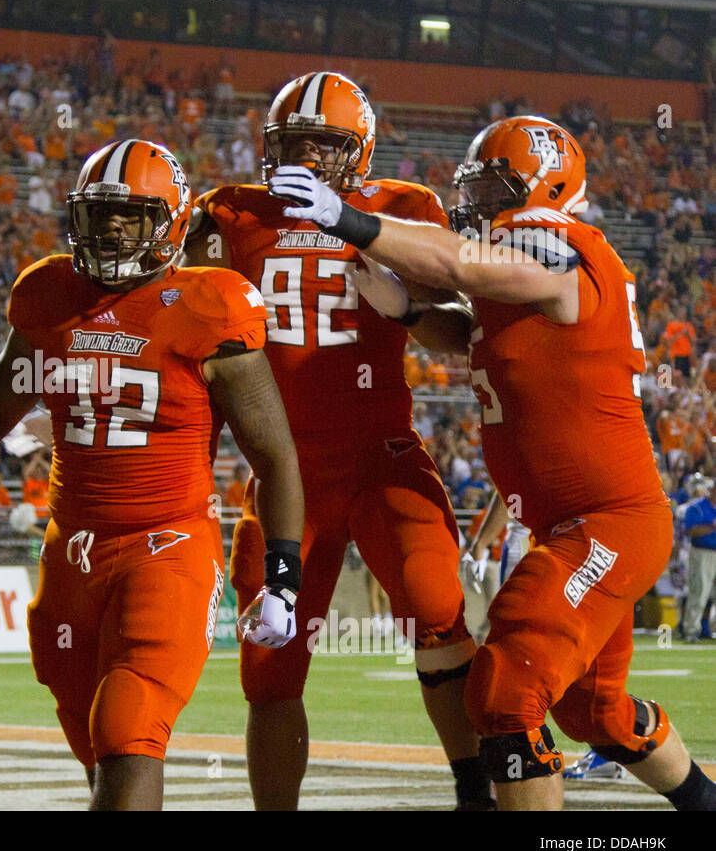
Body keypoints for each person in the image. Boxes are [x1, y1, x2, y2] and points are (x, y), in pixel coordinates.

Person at [267, 113, 716, 811]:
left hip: (605, 524)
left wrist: (347, 218)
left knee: (505, 687)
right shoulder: (525, 273)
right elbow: (473, 327)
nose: (476, 202)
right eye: (475, 186)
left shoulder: (563, 242)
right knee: (595, 713)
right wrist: (410, 315)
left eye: (494, 185)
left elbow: (459, 264)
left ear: (545, 185)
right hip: (580, 525)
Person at [0, 140, 305, 810]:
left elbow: (273, 453)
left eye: (130, 216)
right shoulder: (48, 295)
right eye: (98, 213)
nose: (109, 229)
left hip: (168, 544)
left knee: (128, 725)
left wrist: (283, 574)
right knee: (90, 727)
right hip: (71, 548)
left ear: (173, 221)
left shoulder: (210, 302)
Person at [183, 72, 485, 810]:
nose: (308, 157)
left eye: (326, 143)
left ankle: (476, 786)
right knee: (270, 665)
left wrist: (407, 305)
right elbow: (172, 314)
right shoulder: (231, 211)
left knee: (437, 606)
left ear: (362, 149)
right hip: (284, 468)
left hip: (382, 451)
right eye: (294, 142)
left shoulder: (402, 208)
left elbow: (463, 333)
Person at [681, 474, 716, 643]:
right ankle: (691, 630)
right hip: (702, 553)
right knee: (699, 592)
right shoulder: (697, 507)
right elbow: (690, 531)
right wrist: (711, 527)